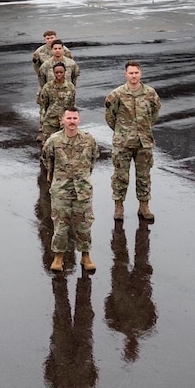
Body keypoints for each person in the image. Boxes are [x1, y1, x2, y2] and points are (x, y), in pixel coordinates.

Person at [41, 106, 100, 273]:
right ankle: (58, 257)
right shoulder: (54, 141)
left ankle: (85, 256)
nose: (72, 122)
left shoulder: (89, 140)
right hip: (61, 190)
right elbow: (47, 160)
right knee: (60, 224)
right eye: (69, 118)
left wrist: (83, 177)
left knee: (84, 224)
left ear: (79, 120)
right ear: (62, 121)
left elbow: (94, 158)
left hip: (83, 190)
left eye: (75, 118)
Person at [105, 60, 161, 222]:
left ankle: (144, 206)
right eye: (131, 73)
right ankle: (119, 206)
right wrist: (121, 131)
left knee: (144, 176)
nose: (134, 76)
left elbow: (155, 112)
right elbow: (110, 116)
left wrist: (145, 127)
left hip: (144, 142)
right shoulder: (116, 94)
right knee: (120, 176)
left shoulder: (150, 93)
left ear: (140, 73)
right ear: (126, 74)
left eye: (136, 73)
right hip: (123, 143)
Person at [37, 62, 77, 143]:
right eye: (57, 72)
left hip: (65, 121)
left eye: (61, 72)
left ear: (65, 72)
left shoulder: (70, 87)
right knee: (48, 144)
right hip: (50, 121)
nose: (59, 74)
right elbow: (45, 104)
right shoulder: (47, 87)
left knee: (65, 144)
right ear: (53, 73)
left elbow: (72, 104)